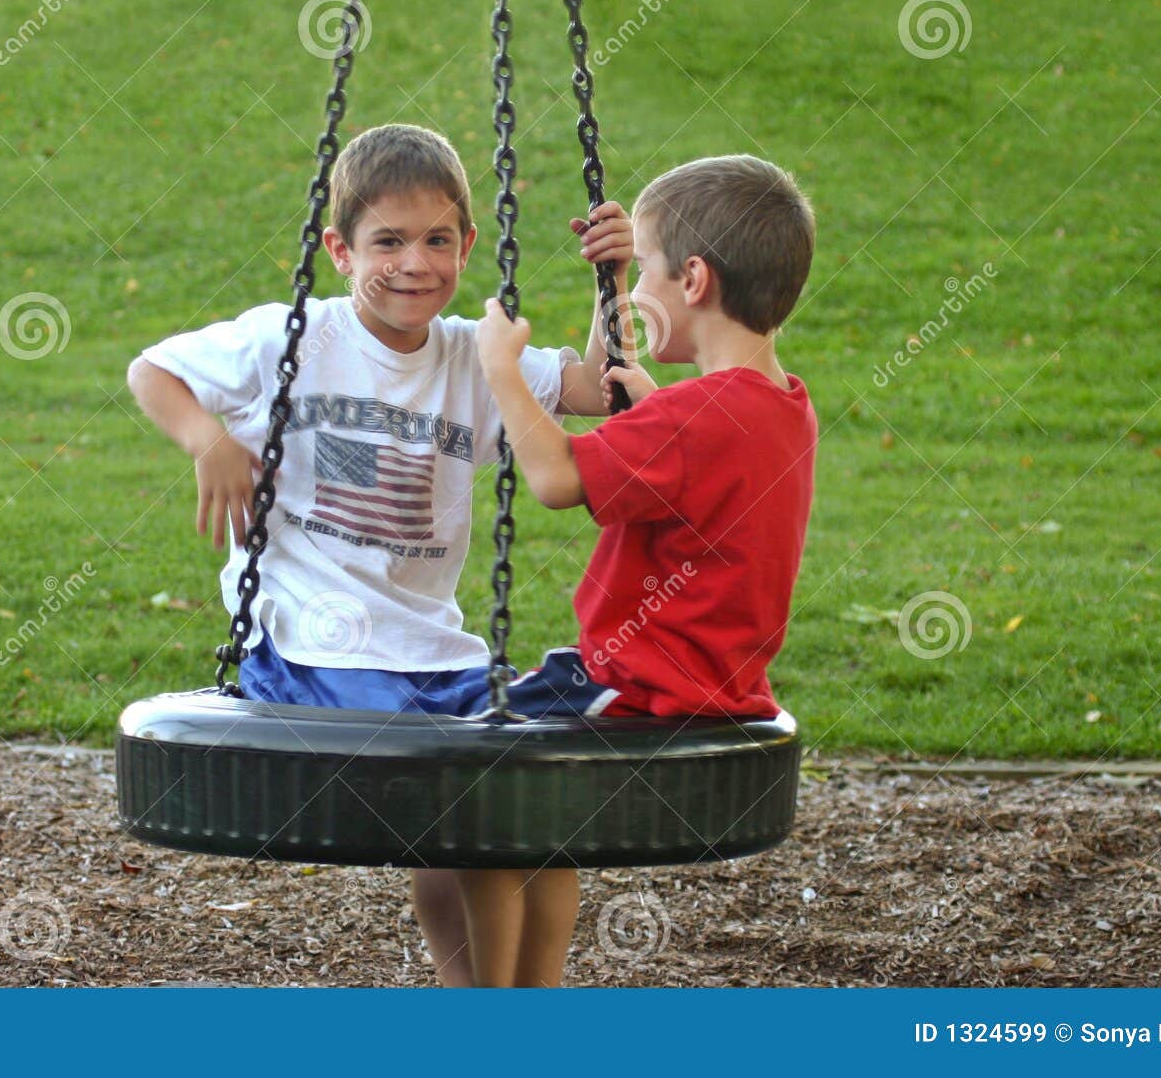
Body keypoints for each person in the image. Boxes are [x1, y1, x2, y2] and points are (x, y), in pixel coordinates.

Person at [126, 123, 632, 987]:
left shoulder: (475, 356)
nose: (415, 263)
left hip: (432, 653)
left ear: (469, 245)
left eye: (438, 240)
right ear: (339, 249)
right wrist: (208, 441)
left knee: (535, 801)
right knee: (462, 801)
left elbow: (600, 388)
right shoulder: (294, 339)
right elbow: (153, 371)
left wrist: (609, 281)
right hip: (313, 646)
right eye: (387, 241)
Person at [472, 153, 819, 986]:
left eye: (650, 273)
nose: (640, 294)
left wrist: (501, 372)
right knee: (537, 825)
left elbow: (555, 477)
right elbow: (696, 459)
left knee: (466, 797)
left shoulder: (693, 418)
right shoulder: (781, 404)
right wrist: (631, 331)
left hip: (643, 685)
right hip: (714, 680)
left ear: (693, 278)